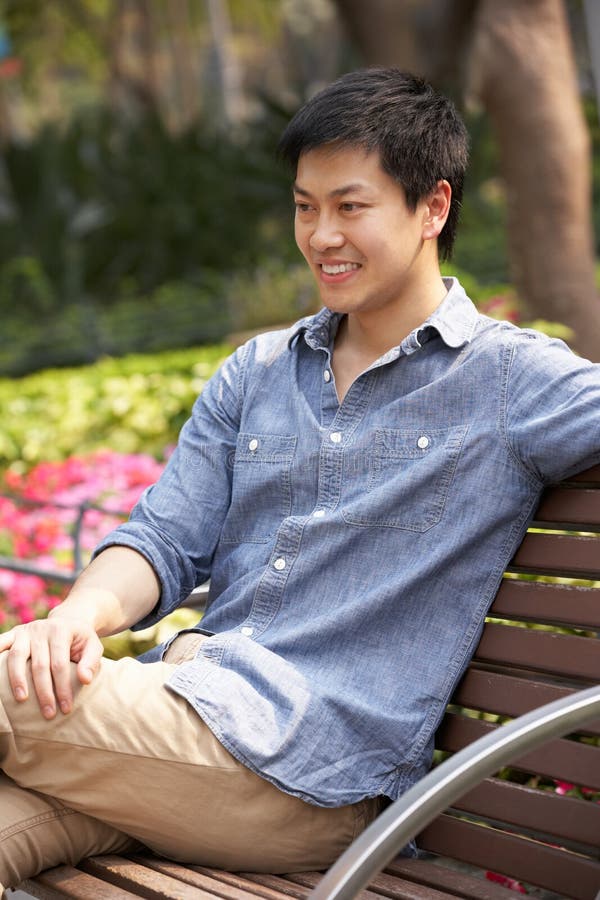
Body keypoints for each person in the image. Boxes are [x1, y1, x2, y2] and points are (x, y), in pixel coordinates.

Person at [1, 67, 599, 891]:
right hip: (184, 725)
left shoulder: (507, 382)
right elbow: (162, 538)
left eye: (350, 207)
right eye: (304, 207)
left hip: (319, 778)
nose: (321, 235)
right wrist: (74, 618)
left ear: (434, 207)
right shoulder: (258, 372)